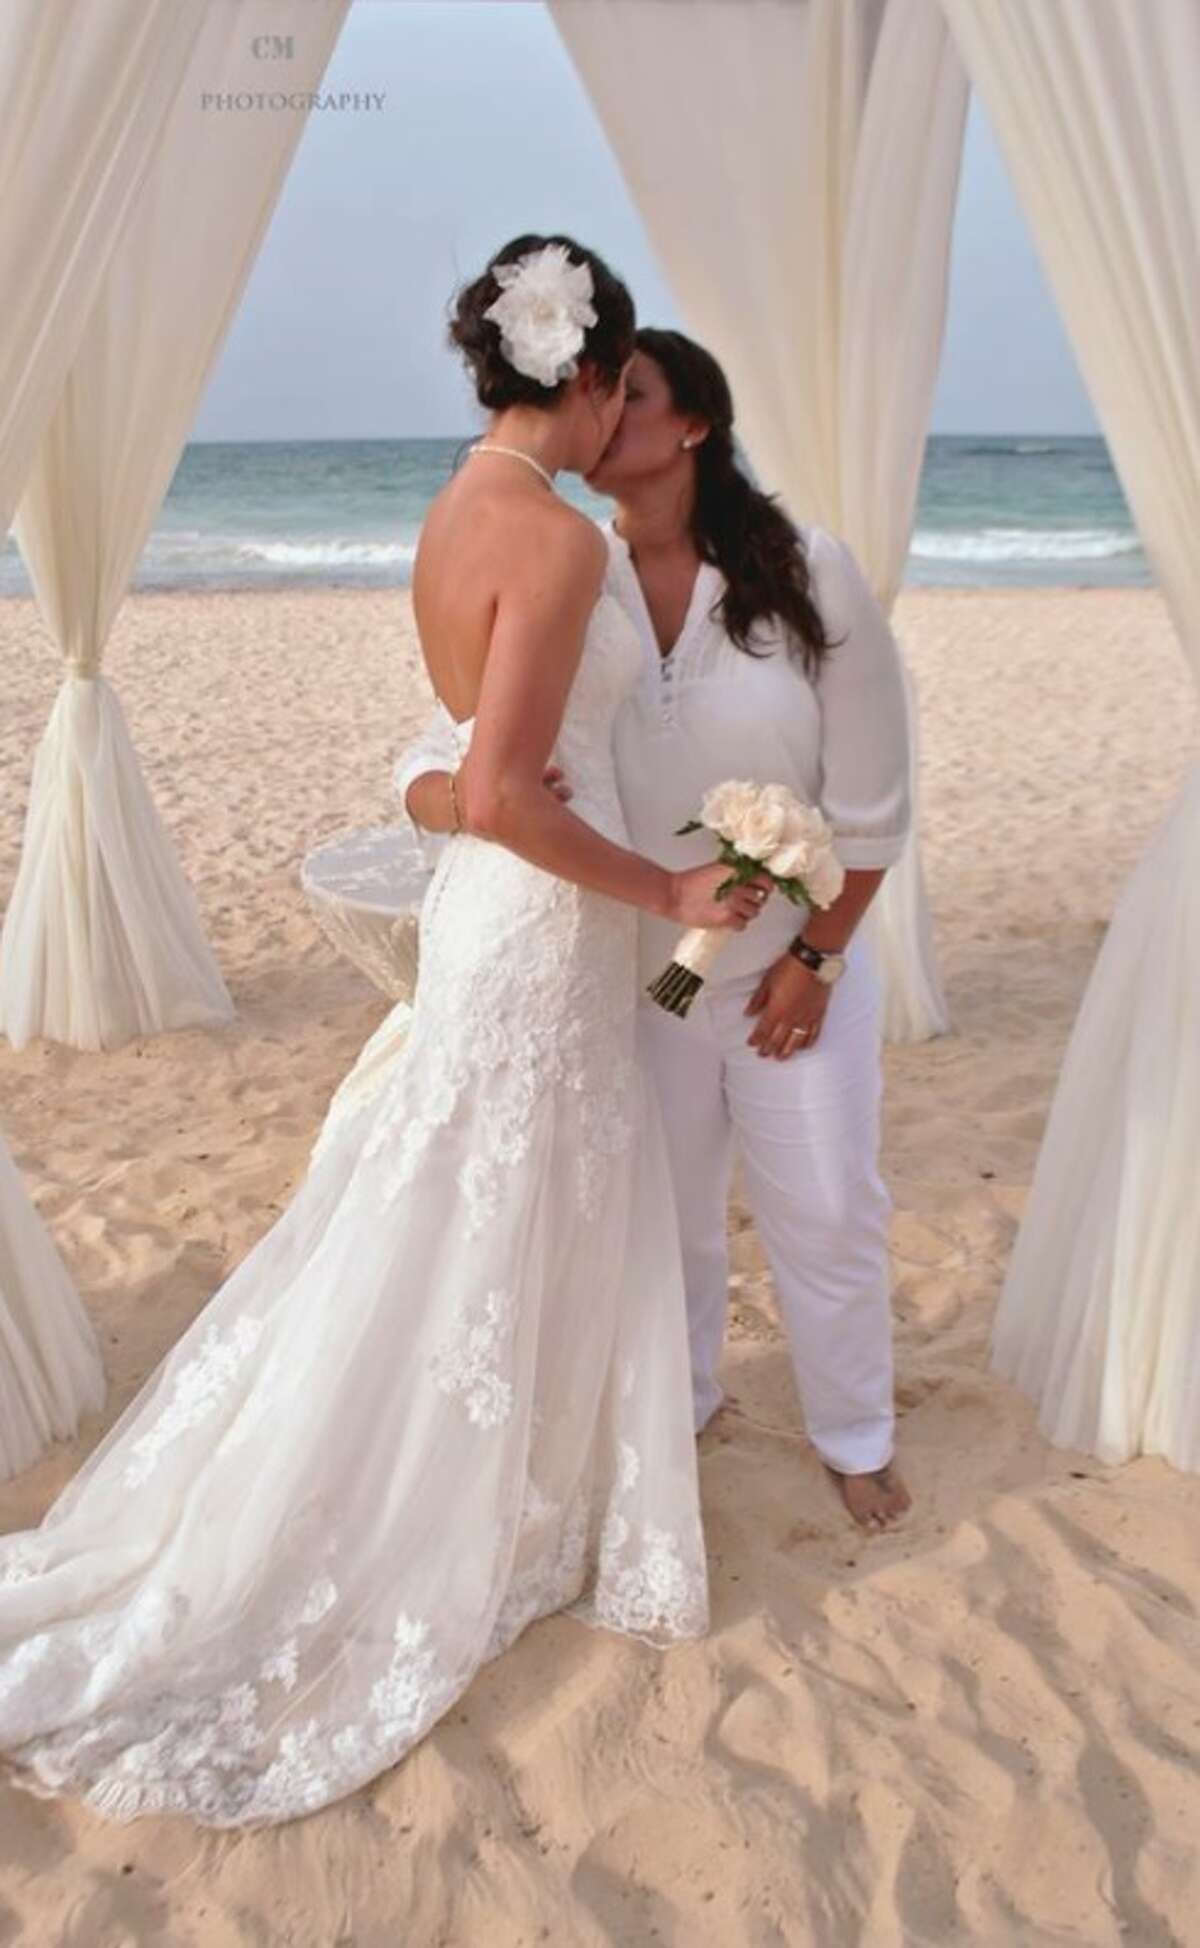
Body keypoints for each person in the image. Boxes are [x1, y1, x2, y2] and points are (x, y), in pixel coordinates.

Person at [0, 236, 769, 1829]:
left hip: (513, 925)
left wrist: (524, 807)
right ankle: (456, 1511)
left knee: (487, 1200)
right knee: (484, 1206)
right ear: (590, 374)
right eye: (622, 383)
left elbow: (464, 758)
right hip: (543, 926)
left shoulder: (457, 509)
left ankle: (529, 1485)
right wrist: (663, 877)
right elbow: (495, 791)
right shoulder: (555, 547)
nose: (627, 406)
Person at [398, 328, 913, 1530]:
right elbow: (439, 755)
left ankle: (855, 1432)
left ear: (692, 425)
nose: (597, 408)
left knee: (829, 1201)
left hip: (799, 966)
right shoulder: (574, 567)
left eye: (629, 393)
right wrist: (474, 802)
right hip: (642, 975)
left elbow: (876, 801)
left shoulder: (811, 571)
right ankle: (680, 1406)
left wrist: (818, 958)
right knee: (665, 1212)